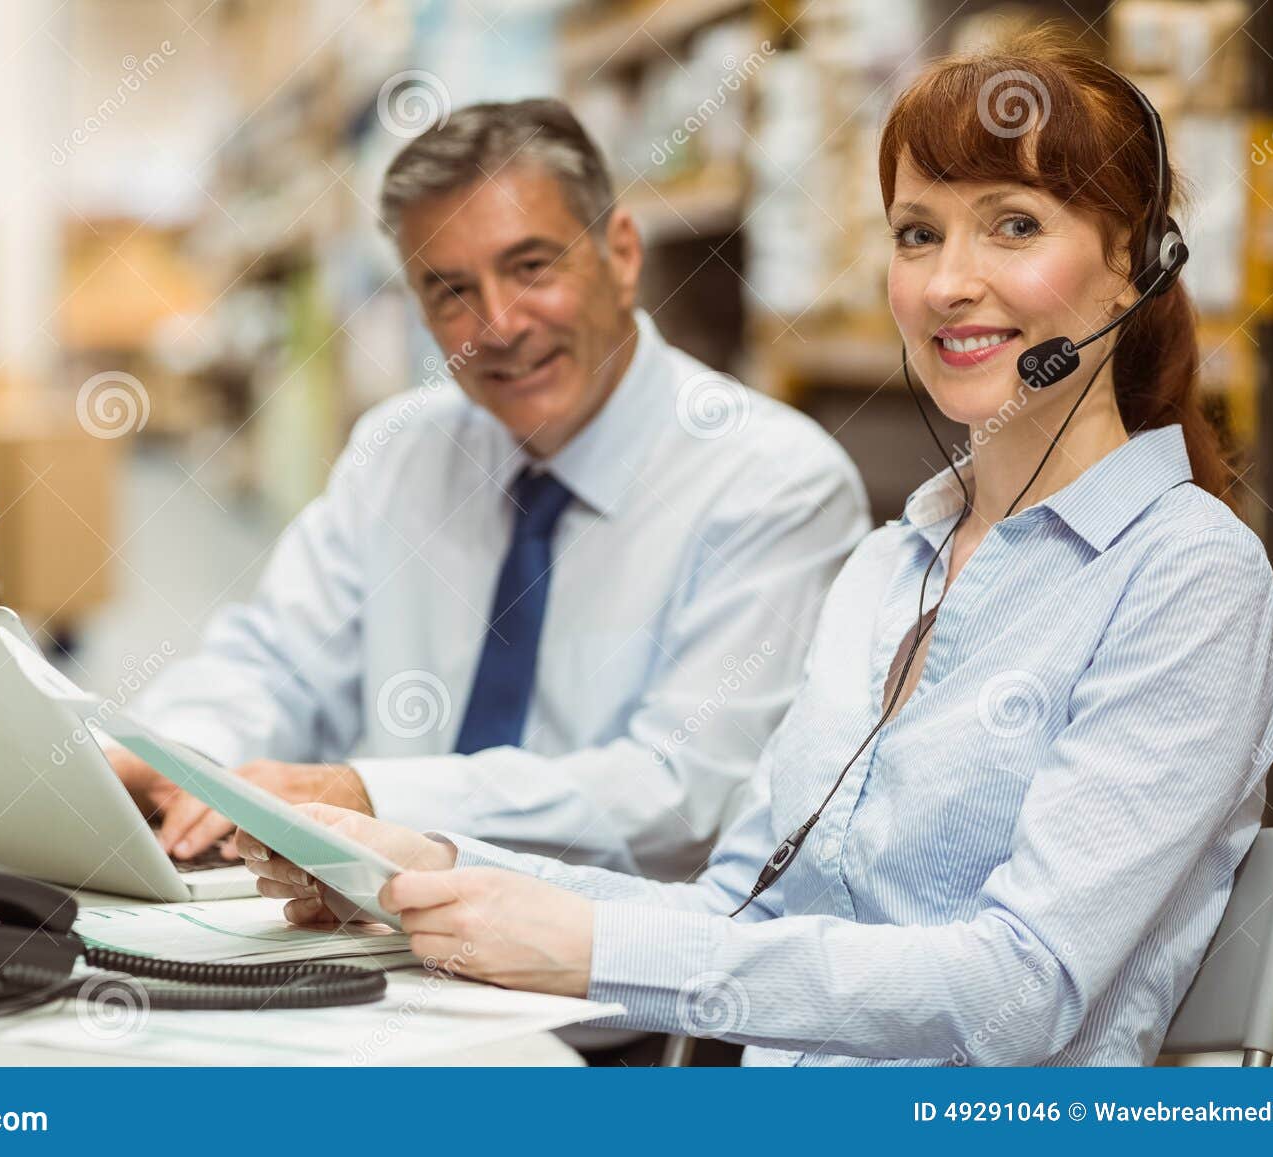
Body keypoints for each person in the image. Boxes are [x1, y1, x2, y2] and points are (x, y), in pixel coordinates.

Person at [237, 32, 1273, 1066]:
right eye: (917, 234)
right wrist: (431, 862)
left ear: (1135, 265)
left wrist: (592, 947)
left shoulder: (1186, 576)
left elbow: (1018, 989)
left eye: (1012, 226)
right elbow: (731, 904)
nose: (944, 284)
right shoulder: (893, 564)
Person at [110, 99, 870, 882]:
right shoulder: (398, 450)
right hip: (385, 934)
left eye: (532, 267)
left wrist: (371, 793)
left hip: (619, 972)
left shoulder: (774, 483)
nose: (499, 325)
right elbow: (276, 660)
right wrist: (184, 752)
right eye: (450, 291)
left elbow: (682, 792)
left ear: (621, 252)